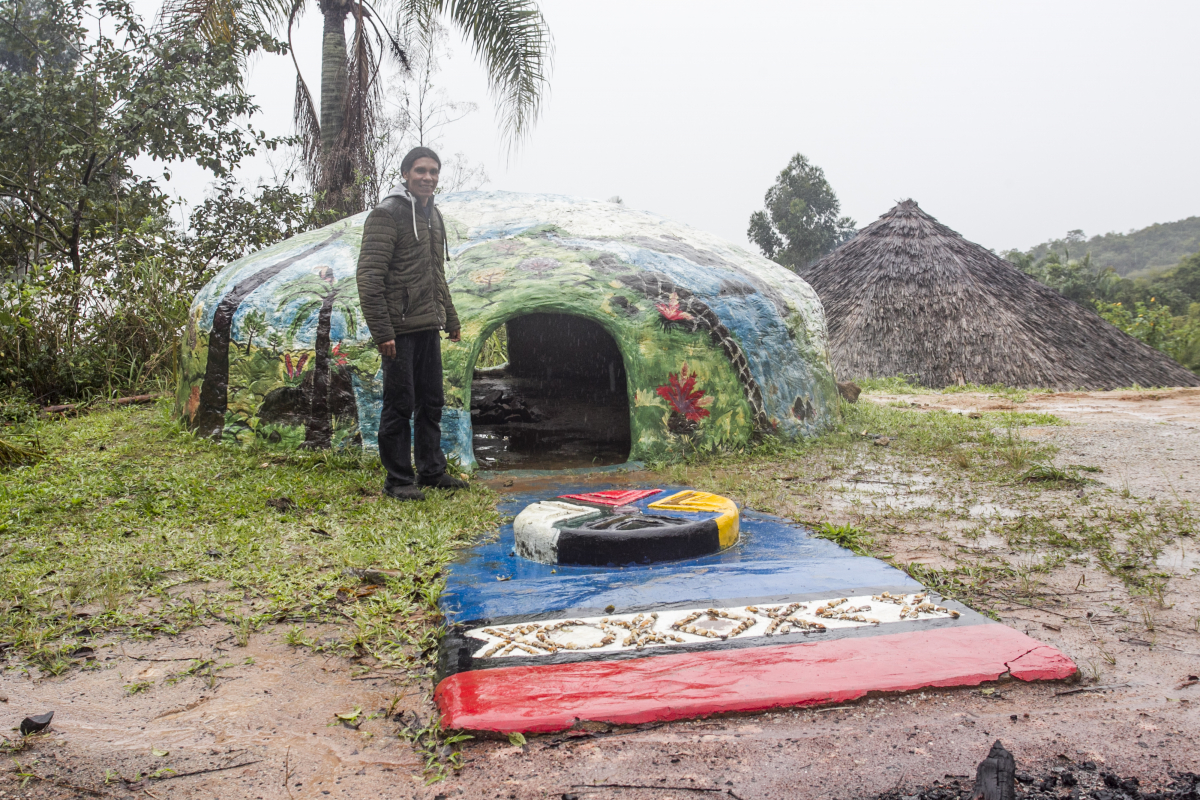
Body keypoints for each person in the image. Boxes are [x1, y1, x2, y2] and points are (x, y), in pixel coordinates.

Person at [356, 146, 468, 500]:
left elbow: (436, 274)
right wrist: (383, 331)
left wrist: (449, 317)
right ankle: (398, 480)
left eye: (433, 172)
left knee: (432, 400)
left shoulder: (433, 215)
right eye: (420, 170)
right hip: (399, 329)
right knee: (399, 403)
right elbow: (369, 277)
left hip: (427, 324)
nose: (427, 177)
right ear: (405, 174)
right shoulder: (386, 215)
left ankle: (432, 471)